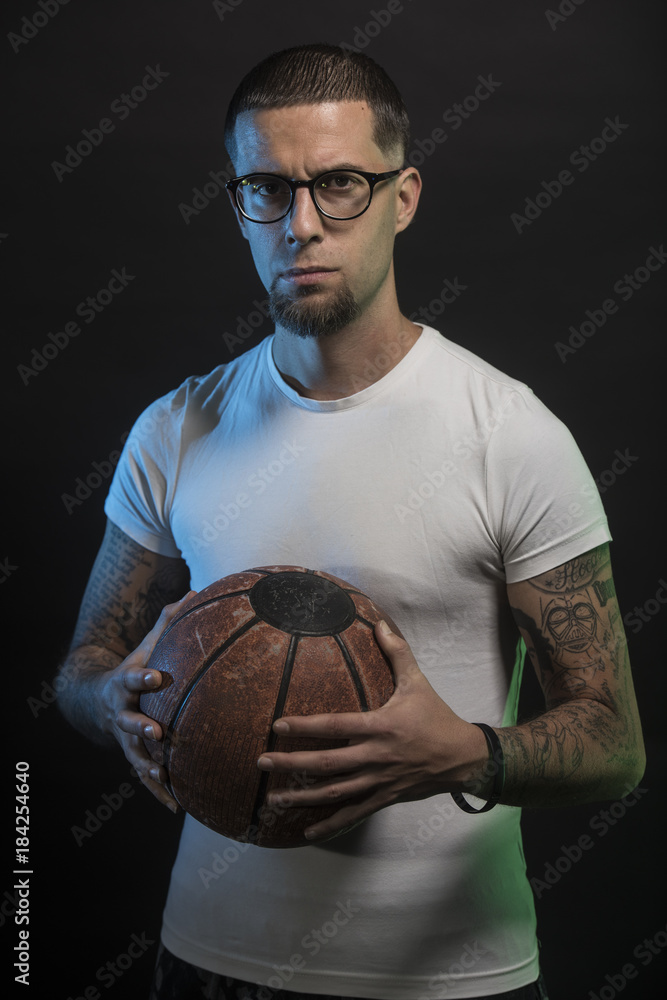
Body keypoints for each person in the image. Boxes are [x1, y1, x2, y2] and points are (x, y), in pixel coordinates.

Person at [57, 44, 645, 1000]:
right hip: (206, 962)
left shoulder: (510, 435)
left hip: (452, 977)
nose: (300, 225)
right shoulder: (174, 429)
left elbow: (614, 745)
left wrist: (463, 752)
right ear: (236, 205)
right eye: (267, 189)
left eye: (340, 185)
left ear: (403, 196)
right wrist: (117, 704)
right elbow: (83, 669)